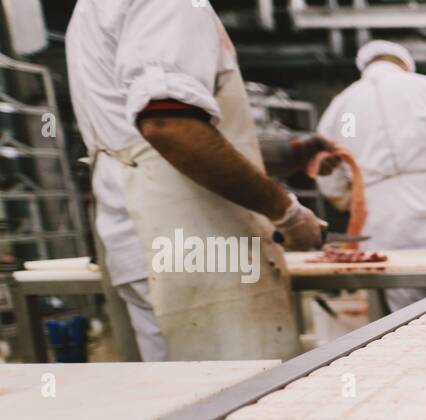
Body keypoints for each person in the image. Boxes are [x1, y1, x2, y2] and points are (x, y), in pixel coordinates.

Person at [66, 0, 326, 362]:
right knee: (227, 398)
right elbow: (168, 127)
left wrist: (291, 151)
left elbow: (156, 136)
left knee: (181, 394)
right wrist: (288, 213)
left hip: (150, 233)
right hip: (188, 245)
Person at [316, 41, 426, 312]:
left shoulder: (342, 105)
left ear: (363, 67)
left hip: (377, 202)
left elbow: (325, 167)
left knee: (401, 293)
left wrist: (346, 199)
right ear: (406, 65)